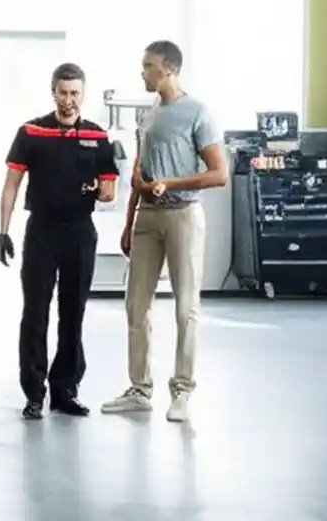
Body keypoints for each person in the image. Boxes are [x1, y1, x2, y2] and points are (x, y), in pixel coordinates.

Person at [101, 40, 225, 423]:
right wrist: (128, 221)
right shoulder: (149, 115)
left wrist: (170, 185)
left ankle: (182, 392)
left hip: (183, 216)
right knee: (136, 306)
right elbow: (139, 170)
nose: (143, 72)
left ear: (169, 69)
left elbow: (218, 174)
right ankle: (140, 389)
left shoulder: (198, 112)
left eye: (148, 66)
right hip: (147, 219)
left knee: (186, 308)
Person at [0, 63, 120, 420]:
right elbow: (11, 185)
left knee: (73, 312)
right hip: (42, 232)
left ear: (84, 95)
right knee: (34, 311)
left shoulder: (97, 137)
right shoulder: (32, 131)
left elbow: (110, 191)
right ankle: (34, 393)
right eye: (63, 93)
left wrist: (96, 188)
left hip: (79, 231)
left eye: (75, 94)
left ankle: (65, 389)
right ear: (53, 92)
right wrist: (3, 230)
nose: (69, 101)